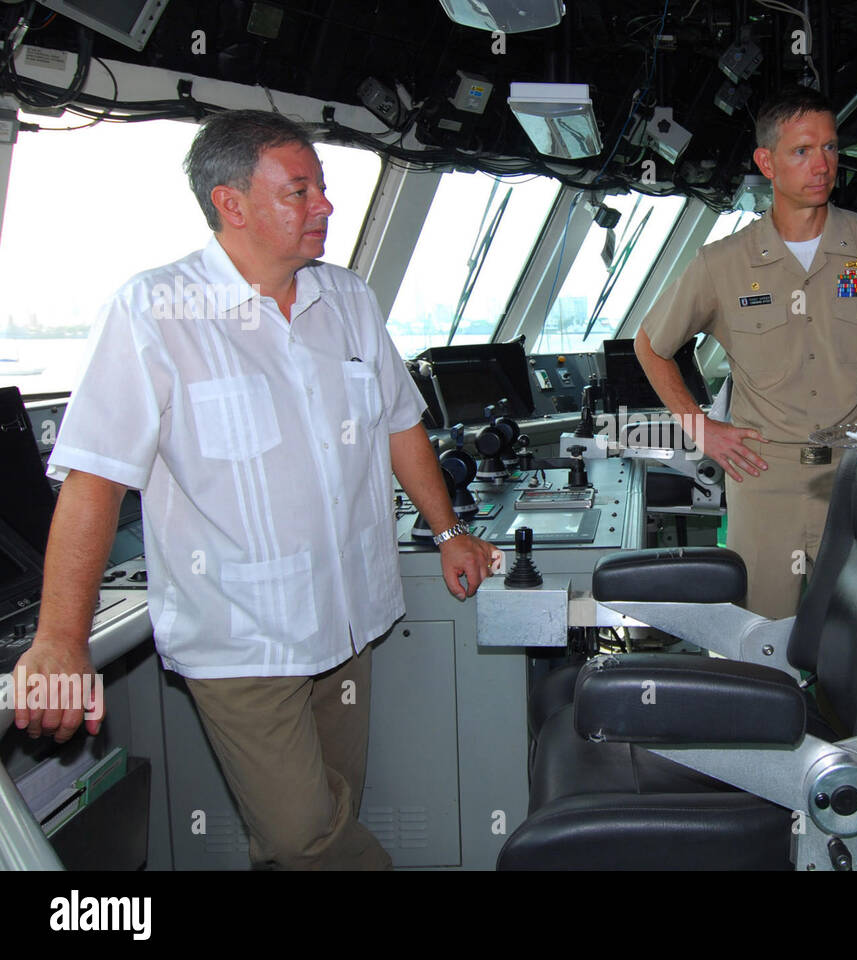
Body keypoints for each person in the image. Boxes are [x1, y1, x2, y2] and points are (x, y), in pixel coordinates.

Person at [12, 110, 499, 869]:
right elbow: (95, 482)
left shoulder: (348, 301)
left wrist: (447, 532)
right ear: (230, 205)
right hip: (242, 637)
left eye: (323, 190)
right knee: (309, 836)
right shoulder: (154, 313)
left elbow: (400, 427)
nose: (325, 207)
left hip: (347, 621)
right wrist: (61, 641)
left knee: (317, 816)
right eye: (299, 192)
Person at [634, 88, 857, 620]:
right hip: (765, 475)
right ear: (766, 162)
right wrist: (700, 429)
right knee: (762, 638)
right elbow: (651, 346)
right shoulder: (722, 263)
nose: (822, 165)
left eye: (831, 149)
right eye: (802, 151)